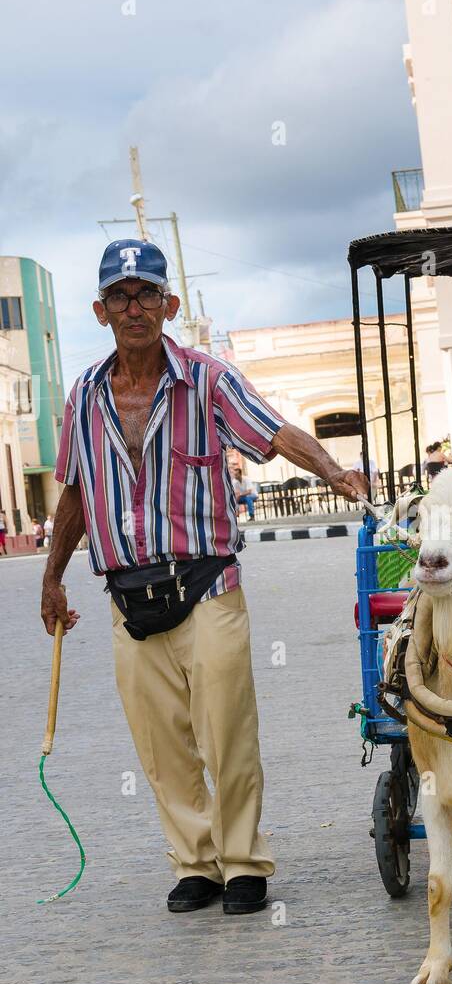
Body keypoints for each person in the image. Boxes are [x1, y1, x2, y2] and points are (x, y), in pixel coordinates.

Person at [40, 239, 368, 916]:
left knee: (227, 733)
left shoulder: (209, 380)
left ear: (170, 304)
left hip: (207, 584)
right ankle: (197, 863)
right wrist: (52, 578)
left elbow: (274, 433)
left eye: (148, 294)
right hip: (128, 597)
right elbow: (75, 492)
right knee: (160, 744)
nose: (136, 308)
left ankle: (244, 862)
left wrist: (333, 470)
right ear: (100, 311)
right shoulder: (83, 396)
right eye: (122, 296)